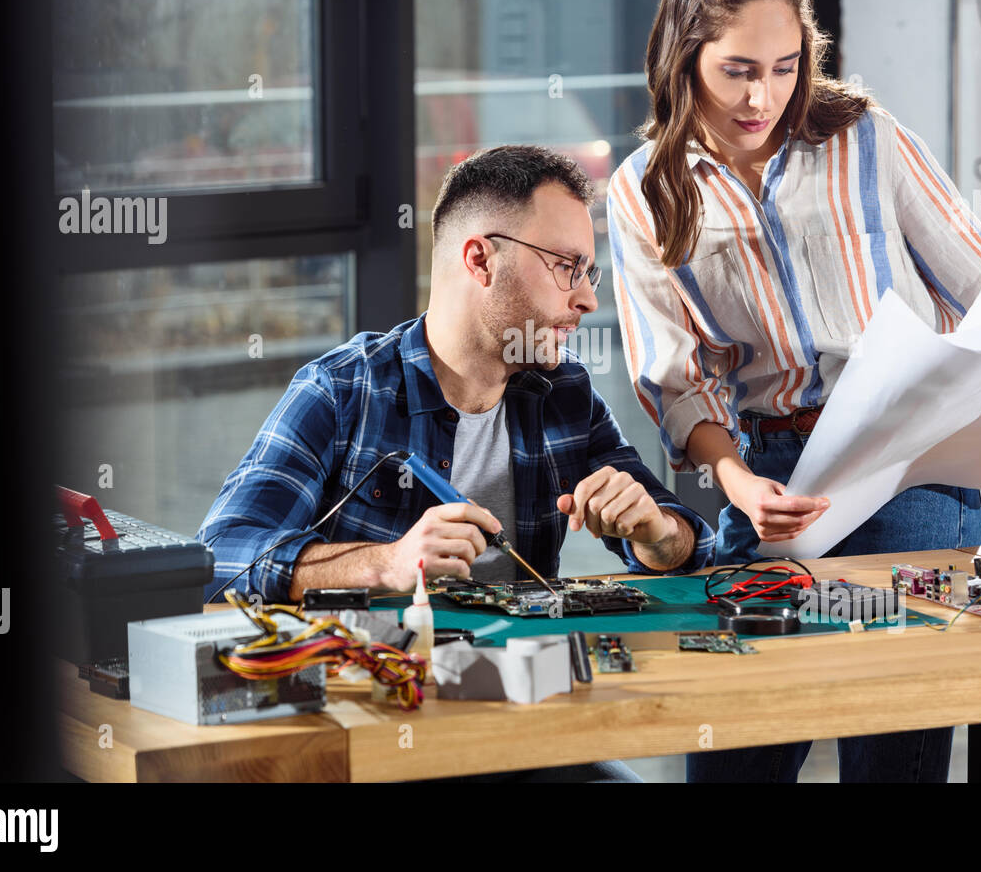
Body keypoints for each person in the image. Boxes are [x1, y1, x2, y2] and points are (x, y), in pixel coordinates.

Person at [605, 0, 981, 783]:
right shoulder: (642, 194)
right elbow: (676, 381)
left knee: (892, 755)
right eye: (737, 68)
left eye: (783, 66)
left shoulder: (867, 140)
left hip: (911, 459)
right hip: (775, 478)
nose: (761, 96)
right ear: (685, 53)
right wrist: (736, 482)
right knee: (739, 752)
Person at [198, 144, 716, 782]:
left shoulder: (564, 393)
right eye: (566, 267)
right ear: (480, 259)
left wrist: (658, 532)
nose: (585, 298)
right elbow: (222, 558)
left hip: (518, 724)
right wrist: (385, 564)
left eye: (591, 273)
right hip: (375, 735)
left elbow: (687, 548)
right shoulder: (341, 390)